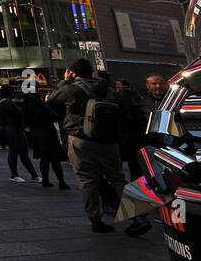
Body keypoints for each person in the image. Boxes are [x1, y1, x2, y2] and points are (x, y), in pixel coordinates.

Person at [48, 58, 149, 236]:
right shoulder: (110, 91)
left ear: (73, 73)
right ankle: (139, 216)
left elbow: (53, 100)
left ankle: (96, 220)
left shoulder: (72, 89)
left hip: (81, 140)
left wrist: (65, 80)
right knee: (118, 179)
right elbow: (125, 115)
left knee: (87, 181)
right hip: (109, 142)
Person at [23, 89, 70, 190]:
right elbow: (55, 117)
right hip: (49, 134)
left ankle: (45, 179)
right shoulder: (43, 107)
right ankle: (61, 182)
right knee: (55, 160)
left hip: (37, 136)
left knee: (44, 159)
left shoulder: (28, 110)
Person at [0, 86, 39, 182]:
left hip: (11, 128)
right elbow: (18, 114)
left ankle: (31, 175)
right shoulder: (7, 103)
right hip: (13, 128)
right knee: (17, 152)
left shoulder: (3, 103)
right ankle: (18, 174)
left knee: (18, 152)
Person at [114, 78, 146, 178]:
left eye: (117, 85)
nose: (116, 87)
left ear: (122, 85)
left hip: (127, 132)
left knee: (133, 163)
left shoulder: (120, 95)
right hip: (139, 132)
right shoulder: (137, 95)